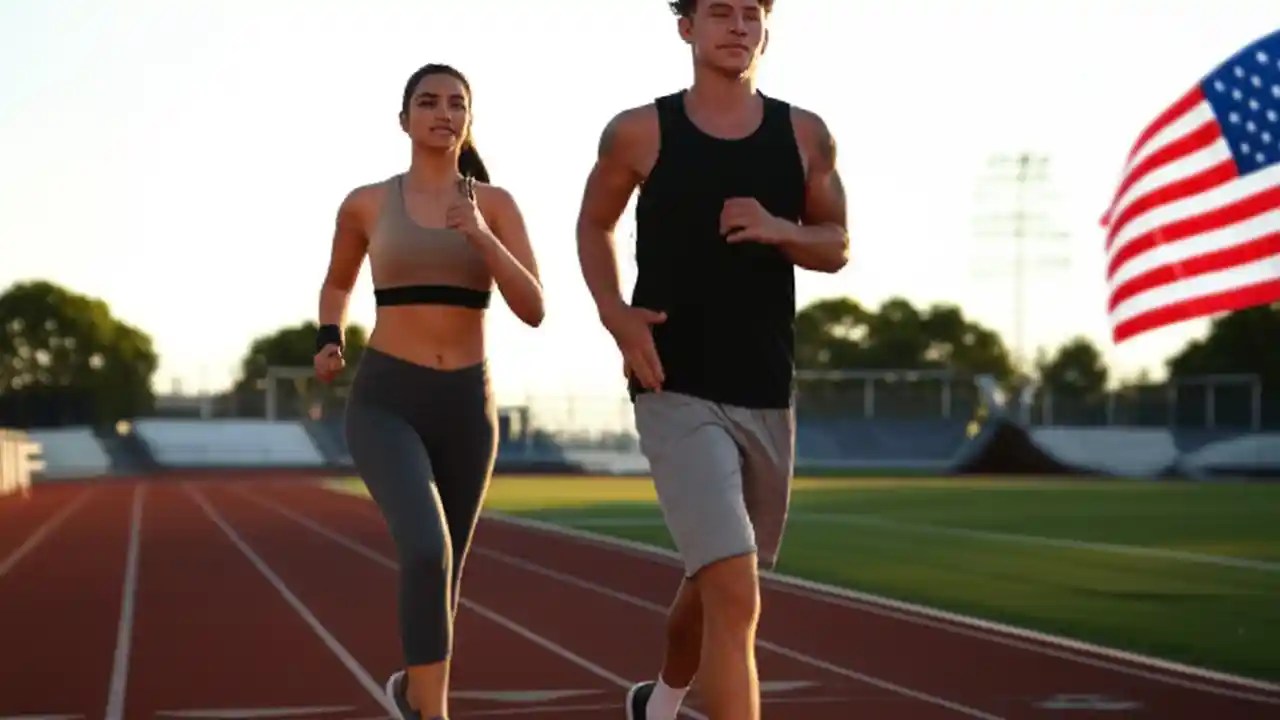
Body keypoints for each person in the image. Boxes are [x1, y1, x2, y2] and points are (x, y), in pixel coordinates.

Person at [574, 1, 849, 718]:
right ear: (686, 26)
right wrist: (614, 313)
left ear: (766, 27)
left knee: (716, 580)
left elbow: (837, 245)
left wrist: (777, 228)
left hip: (764, 384)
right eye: (718, 11)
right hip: (673, 381)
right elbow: (594, 223)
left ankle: (659, 704)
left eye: (750, 13)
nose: (736, 26)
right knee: (735, 590)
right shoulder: (638, 131)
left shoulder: (805, 135)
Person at [313, 62, 544, 720]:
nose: (442, 112)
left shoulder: (496, 205)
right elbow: (337, 282)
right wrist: (329, 336)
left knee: (447, 574)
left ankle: (415, 695)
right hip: (388, 397)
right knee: (424, 547)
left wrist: (480, 236)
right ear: (404, 118)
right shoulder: (365, 203)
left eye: (456, 104)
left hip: (468, 408)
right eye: (427, 101)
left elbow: (533, 306)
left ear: (470, 119)